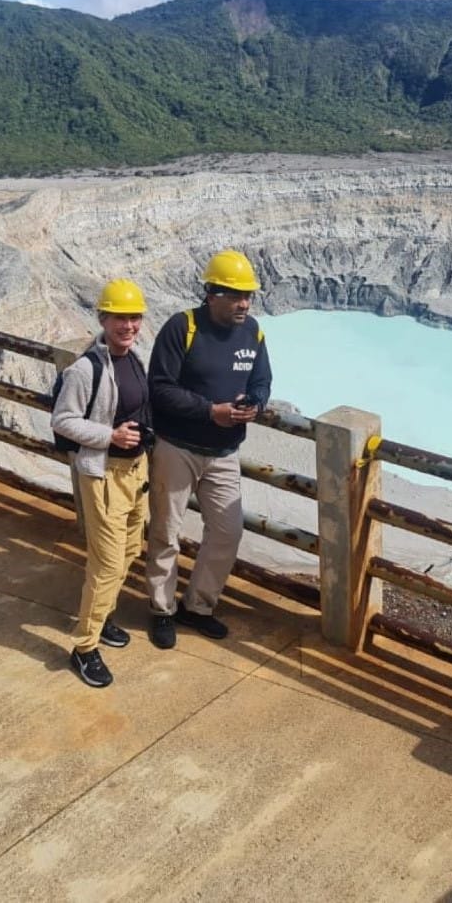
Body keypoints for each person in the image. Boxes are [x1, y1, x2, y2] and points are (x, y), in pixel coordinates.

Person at [146, 249, 272, 648]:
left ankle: (197, 606)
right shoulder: (180, 327)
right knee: (166, 532)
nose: (244, 303)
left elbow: (262, 380)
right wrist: (209, 412)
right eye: (236, 295)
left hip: (224, 453)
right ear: (211, 293)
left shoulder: (253, 331)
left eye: (248, 295)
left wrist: (255, 403)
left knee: (227, 532)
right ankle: (161, 610)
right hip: (176, 448)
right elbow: (159, 389)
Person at [51, 278, 152, 688]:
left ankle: (105, 613)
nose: (127, 325)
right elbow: (62, 420)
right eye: (119, 317)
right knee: (107, 563)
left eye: (134, 317)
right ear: (103, 318)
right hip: (104, 476)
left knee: (130, 549)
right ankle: (85, 647)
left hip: (136, 473)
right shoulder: (85, 369)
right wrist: (110, 437)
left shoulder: (133, 358)